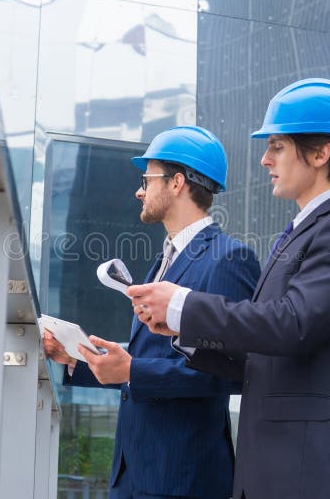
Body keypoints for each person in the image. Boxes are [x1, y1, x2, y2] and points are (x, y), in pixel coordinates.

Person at [129, 79, 330, 499]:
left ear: (321, 153)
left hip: (318, 467)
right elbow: (265, 355)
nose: (264, 159)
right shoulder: (299, 233)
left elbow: (293, 324)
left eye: (277, 146)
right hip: (279, 466)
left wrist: (182, 305)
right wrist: (183, 333)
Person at [43, 126, 261, 499]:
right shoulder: (164, 259)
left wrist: (131, 370)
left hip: (183, 477)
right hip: (132, 472)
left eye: (147, 179)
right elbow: (152, 360)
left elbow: (233, 372)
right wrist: (82, 359)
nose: (139, 190)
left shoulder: (228, 259)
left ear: (177, 183)